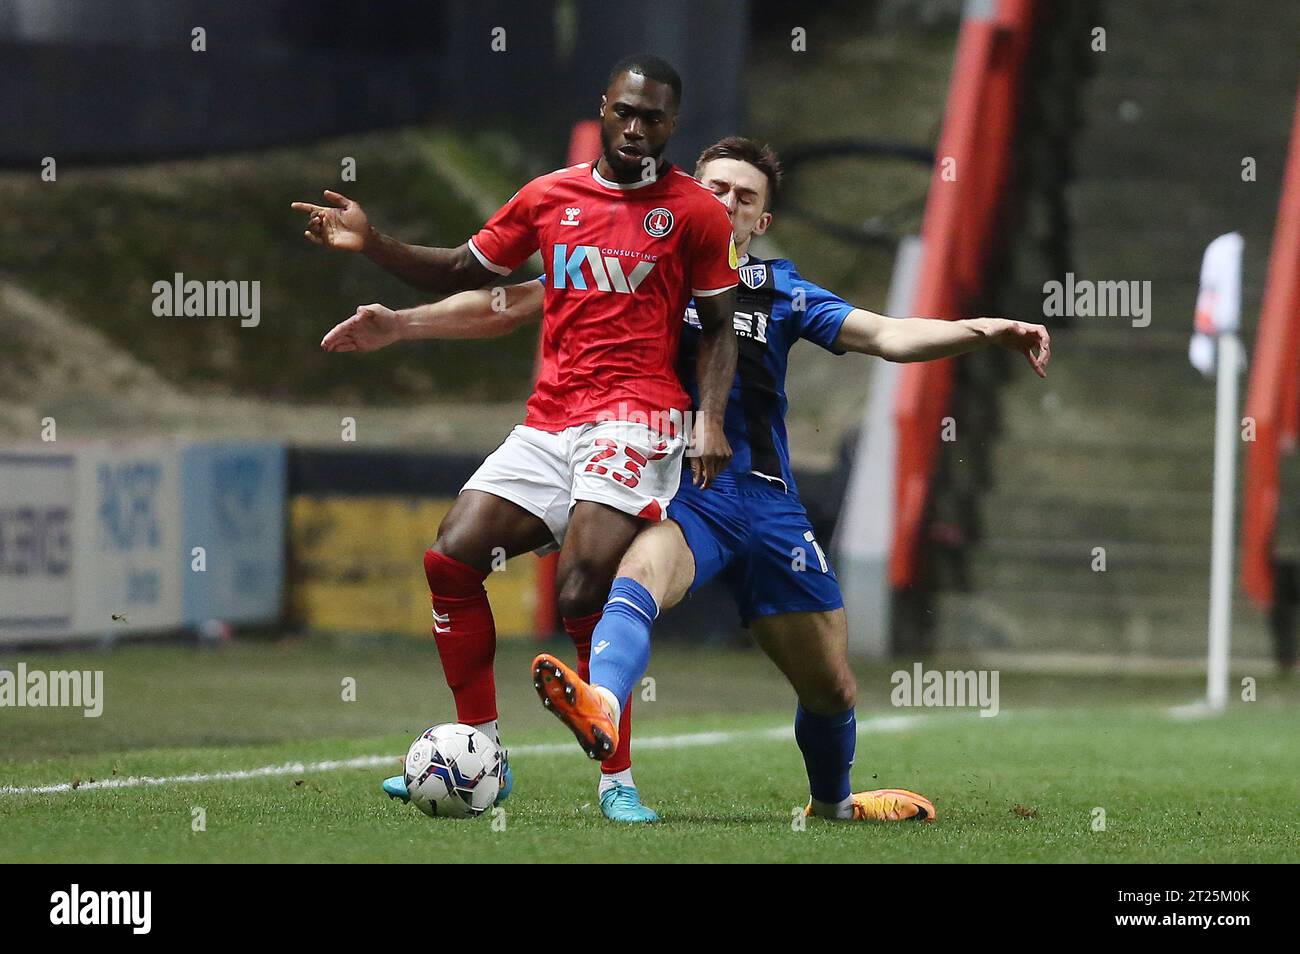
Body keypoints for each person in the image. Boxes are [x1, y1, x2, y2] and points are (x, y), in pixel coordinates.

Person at [323, 136, 1050, 823]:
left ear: (761, 220)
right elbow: (507, 301)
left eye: (744, 196)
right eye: (715, 187)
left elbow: (888, 335)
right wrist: (405, 324)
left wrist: (984, 329)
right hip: (683, 490)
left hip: (768, 503)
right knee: (631, 575)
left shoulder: (779, 290)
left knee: (831, 688)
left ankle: (833, 805)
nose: (727, 201)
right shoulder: (641, 261)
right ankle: (598, 718)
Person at [296, 54, 740, 822]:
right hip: (550, 420)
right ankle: (479, 754)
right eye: (625, 112)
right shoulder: (548, 197)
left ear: (673, 124)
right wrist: (373, 243)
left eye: (654, 118)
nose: (636, 128)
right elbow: (459, 270)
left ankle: (617, 782)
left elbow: (722, 330)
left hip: (638, 415)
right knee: (451, 555)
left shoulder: (695, 213)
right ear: (604, 107)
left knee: (581, 586)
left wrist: (711, 419)